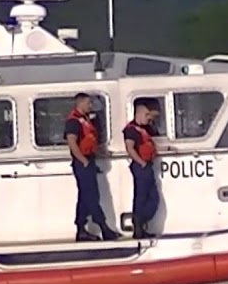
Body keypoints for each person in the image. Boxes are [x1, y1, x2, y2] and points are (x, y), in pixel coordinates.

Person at [64, 93, 120, 241]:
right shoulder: (73, 122)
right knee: (92, 196)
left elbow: (90, 141)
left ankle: (81, 228)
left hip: (89, 160)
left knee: (85, 197)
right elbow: (72, 142)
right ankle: (104, 227)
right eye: (88, 103)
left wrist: (101, 152)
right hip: (82, 162)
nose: (90, 106)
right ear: (80, 103)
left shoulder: (86, 120)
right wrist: (82, 160)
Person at [122, 99, 161, 239]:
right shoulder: (131, 130)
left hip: (147, 165)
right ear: (139, 113)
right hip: (141, 166)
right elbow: (129, 148)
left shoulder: (145, 129)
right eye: (147, 115)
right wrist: (140, 162)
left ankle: (141, 223)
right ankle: (138, 226)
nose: (149, 118)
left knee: (153, 198)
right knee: (141, 197)